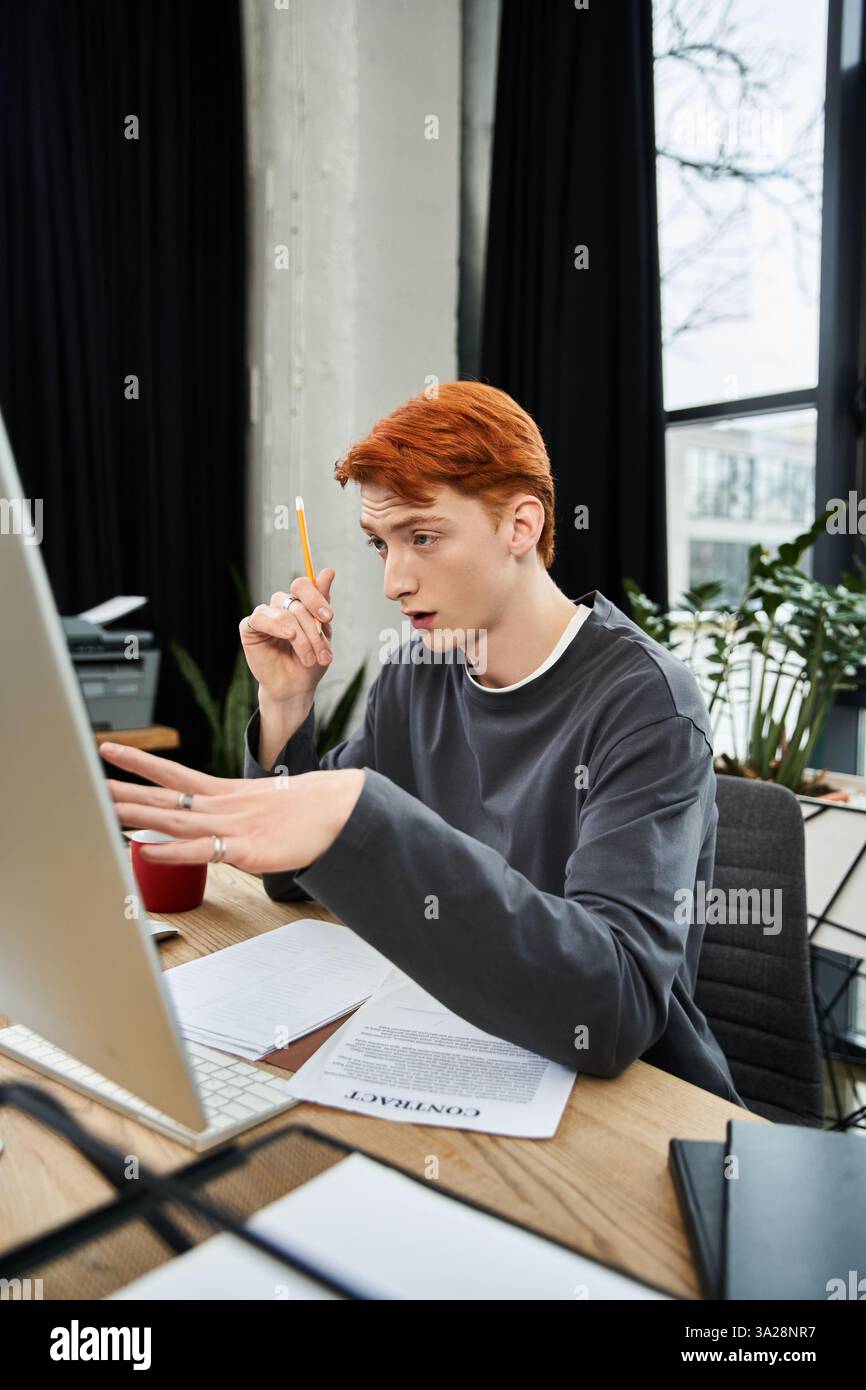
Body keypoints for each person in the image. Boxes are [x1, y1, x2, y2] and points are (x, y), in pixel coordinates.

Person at [102, 381, 744, 1107]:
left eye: (423, 537)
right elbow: (294, 873)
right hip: (461, 1048)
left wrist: (368, 814)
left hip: (628, 1104)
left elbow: (612, 1010)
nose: (393, 581)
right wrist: (286, 703)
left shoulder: (645, 703)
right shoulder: (419, 675)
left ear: (521, 526)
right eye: (382, 544)